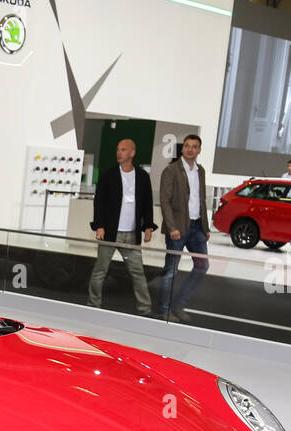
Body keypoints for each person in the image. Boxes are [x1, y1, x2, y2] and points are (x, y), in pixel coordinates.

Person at [88, 138, 155, 314]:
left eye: (123, 150)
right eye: (118, 149)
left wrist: (148, 226)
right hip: (110, 232)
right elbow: (99, 203)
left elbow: (147, 204)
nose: (119, 153)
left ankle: (145, 309)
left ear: (132, 153)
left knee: (137, 272)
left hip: (131, 234)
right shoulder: (108, 175)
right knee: (100, 271)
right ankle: (93, 304)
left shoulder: (142, 176)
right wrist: (99, 226)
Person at [155, 133, 209, 322]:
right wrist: (171, 227)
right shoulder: (171, 170)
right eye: (187, 145)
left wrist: (206, 227)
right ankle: (163, 310)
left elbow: (202, 199)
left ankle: (178, 304)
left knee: (202, 266)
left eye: (194, 146)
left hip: (197, 228)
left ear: (199, 150)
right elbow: (165, 201)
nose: (190, 149)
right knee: (171, 271)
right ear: (183, 148)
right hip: (177, 228)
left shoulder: (200, 171)